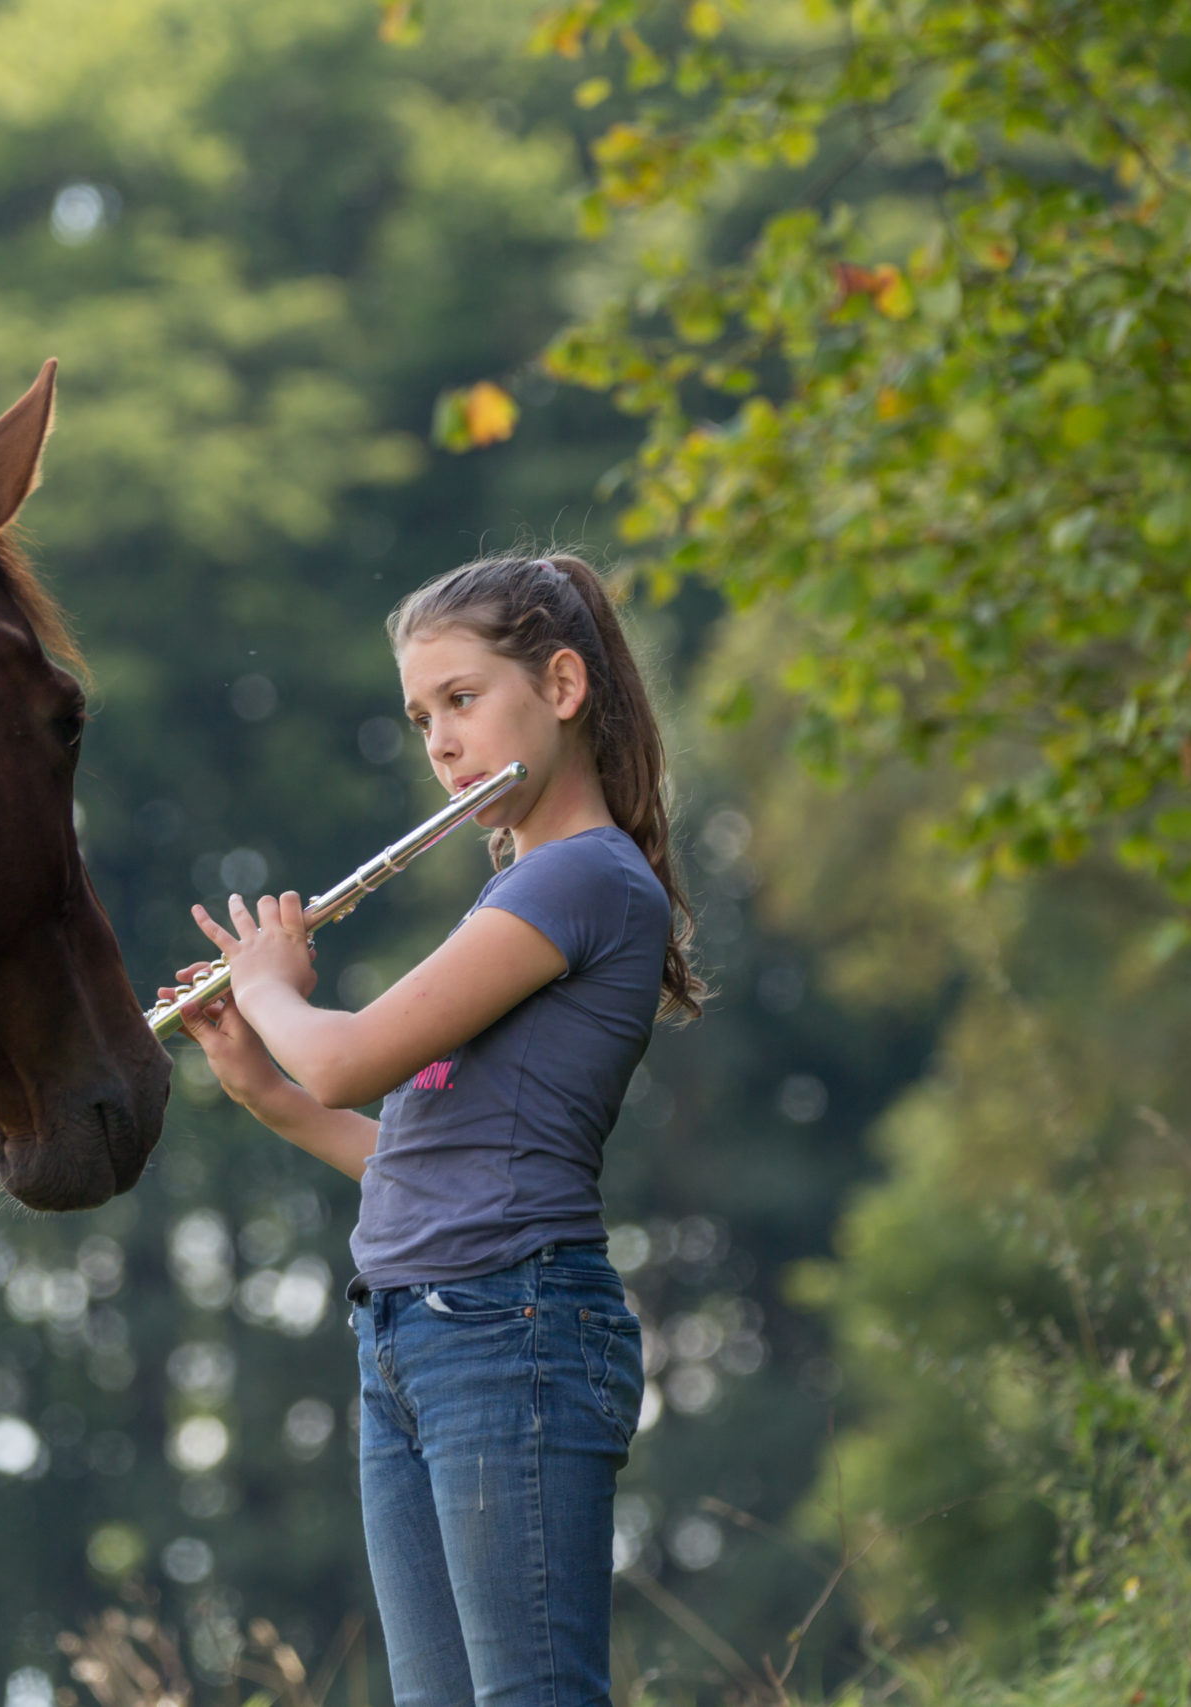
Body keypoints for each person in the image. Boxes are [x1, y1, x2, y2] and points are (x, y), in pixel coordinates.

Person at [157, 553, 701, 1707]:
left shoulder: (580, 881)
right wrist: (266, 1088)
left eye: (462, 700)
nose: (441, 742)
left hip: (514, 1327)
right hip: (413, 1333)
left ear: (561, 687)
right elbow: (422, 1164)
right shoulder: (516, 891)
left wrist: (267, 986)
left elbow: (352, 1053)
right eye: (420, 717)